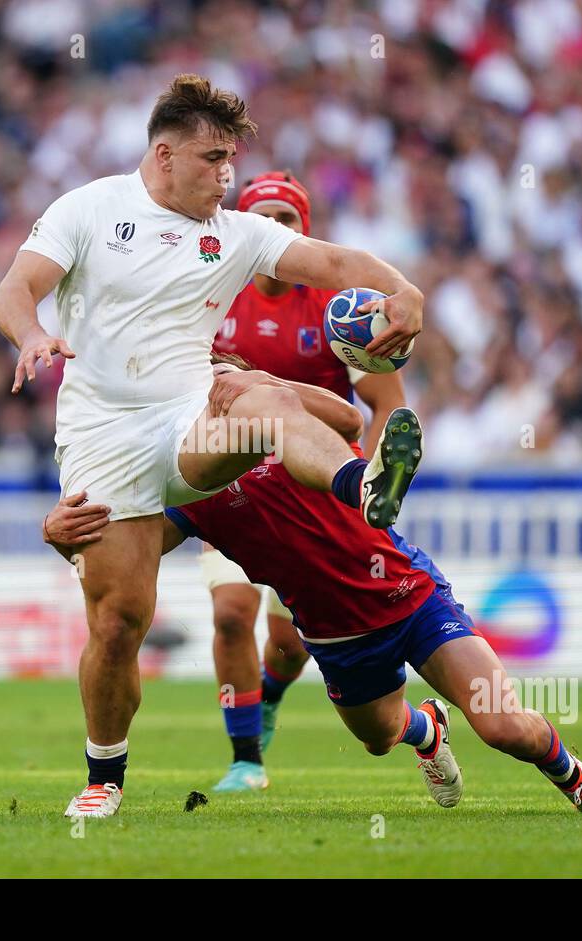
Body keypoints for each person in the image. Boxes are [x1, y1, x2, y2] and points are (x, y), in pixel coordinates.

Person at [0, 74, 425, 818]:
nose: (226, 175)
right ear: (163, 155)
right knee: (119, 620)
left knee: (262, 396)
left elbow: (334, 263)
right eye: (212, 159)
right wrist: (31, 335)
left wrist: (405, 293)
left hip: (189, 418)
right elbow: (15, 289)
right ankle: (104, 777)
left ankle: (361, 486)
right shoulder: (90, 209)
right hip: (101, 439)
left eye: (231, 159)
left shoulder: (235, 233)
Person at [43, 357, 582, 815]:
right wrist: (60, 533)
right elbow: (128, 552)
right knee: (379, 736)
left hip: (410, 596)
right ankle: (426, 730)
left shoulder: (283, 422)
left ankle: (576, 778)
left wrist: (262, 380)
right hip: (337, 637)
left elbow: (351, 421)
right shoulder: (186, 488)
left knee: (500, 724)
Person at [203, 171, 407, 792]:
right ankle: (245, 760)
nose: (275, 229)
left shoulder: (339, 309)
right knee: (233, 614)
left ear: (304, 230)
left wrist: (372, 486)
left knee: (290, 643)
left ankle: (267, 696)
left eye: (287, 220)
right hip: (233, 478)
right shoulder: (214, 294)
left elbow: (385, 404)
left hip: (318, 485)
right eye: (263, 217)